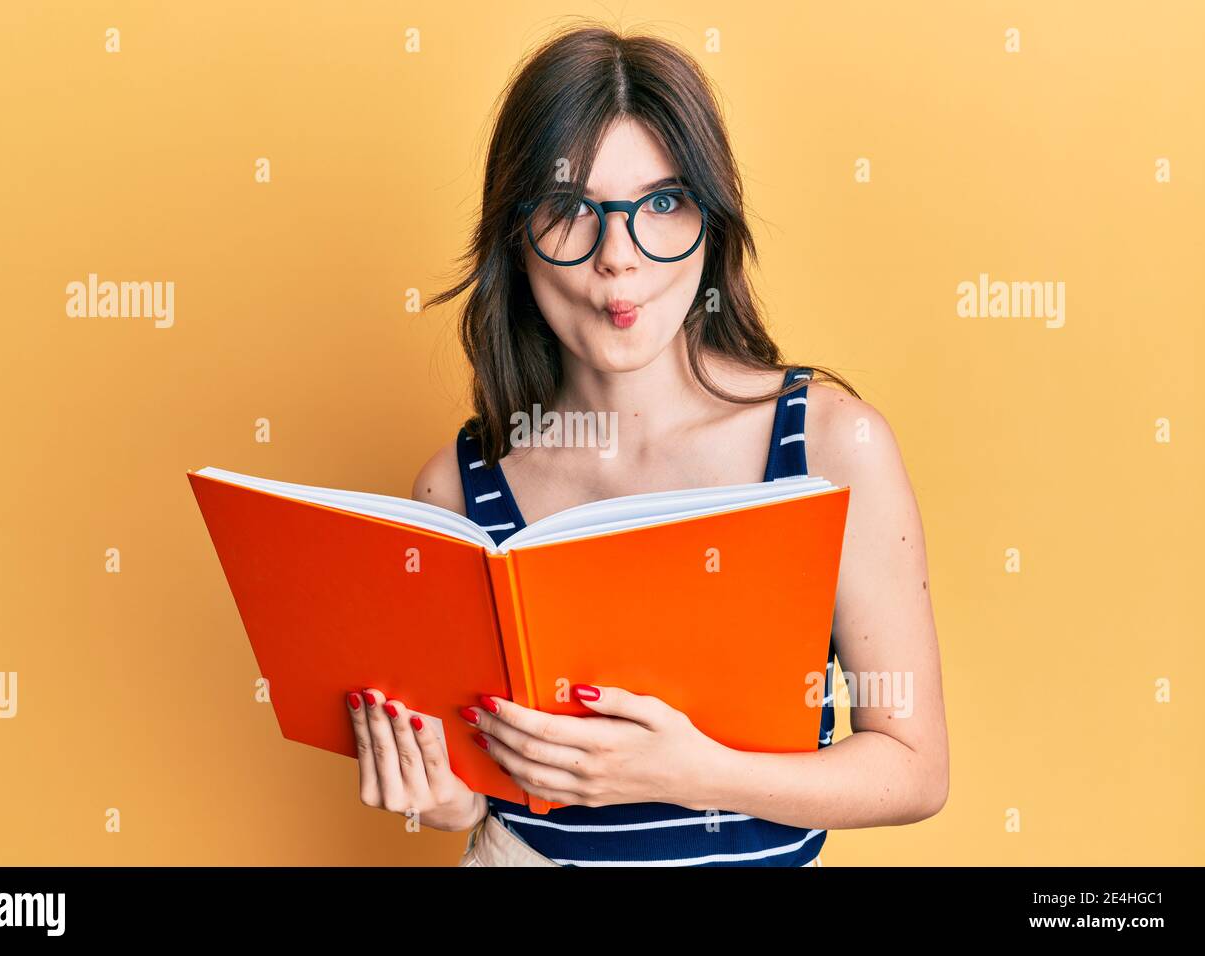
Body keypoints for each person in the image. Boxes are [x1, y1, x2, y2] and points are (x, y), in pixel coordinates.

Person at [346, 23, 949, 867]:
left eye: (661, 204)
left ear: (711, 221)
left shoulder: (828, 446)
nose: (619, 261)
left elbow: (916, 771)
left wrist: (699, 774)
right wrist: (440, 798)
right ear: (516, 241)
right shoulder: (458, 487)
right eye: (569, 212)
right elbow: (469, 795)